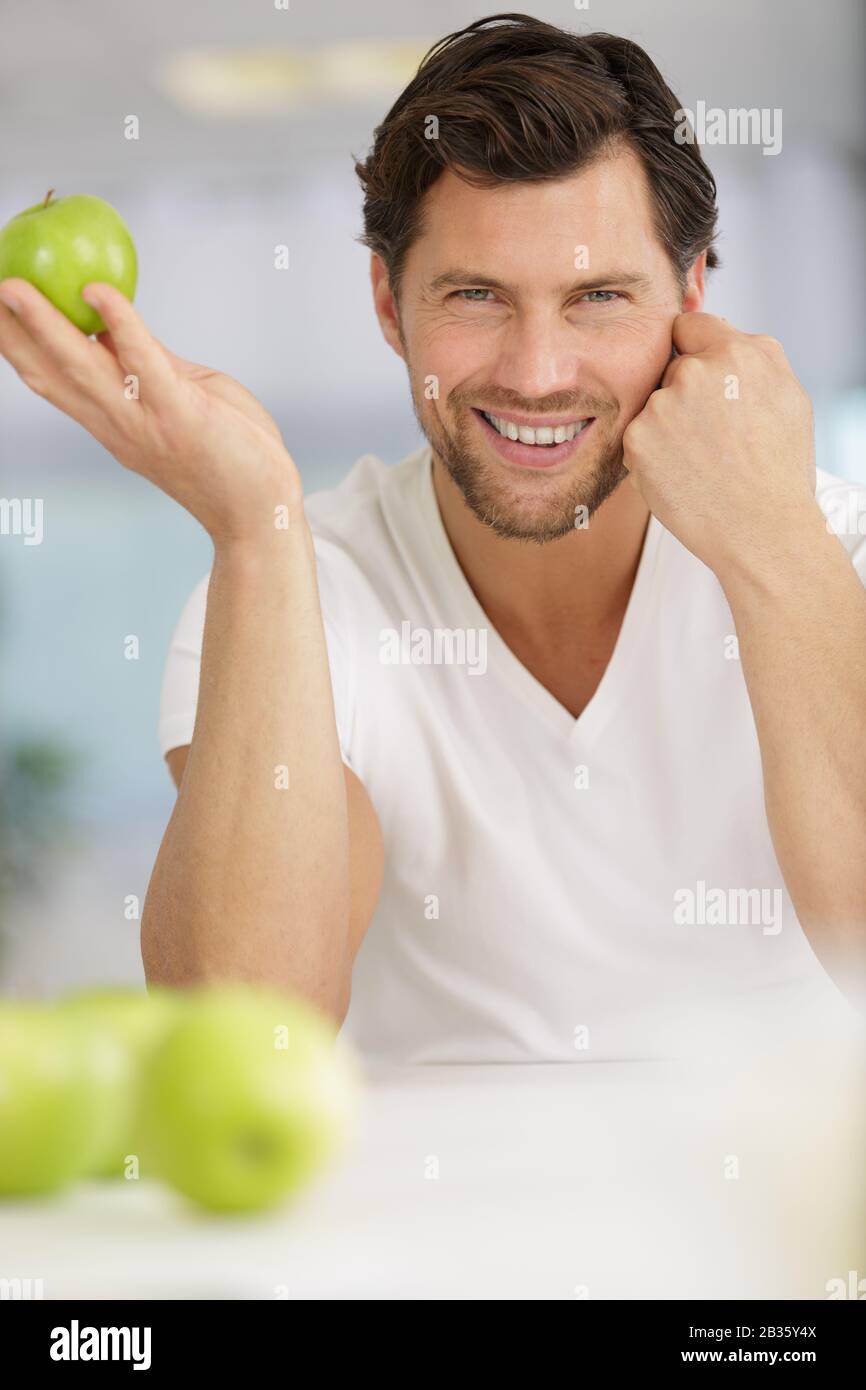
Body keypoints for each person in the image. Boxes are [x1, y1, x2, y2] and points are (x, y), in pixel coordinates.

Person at [1, 14, 864, 1063]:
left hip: (783, 1215)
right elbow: (249, 1030)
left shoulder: (831, 550)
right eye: (473, 296)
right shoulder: (295, 578)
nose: (537, 371)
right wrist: (252, 527)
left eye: (597, 297)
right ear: (387, 304)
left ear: (687, 303)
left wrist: (772, 547)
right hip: (424, 1224)